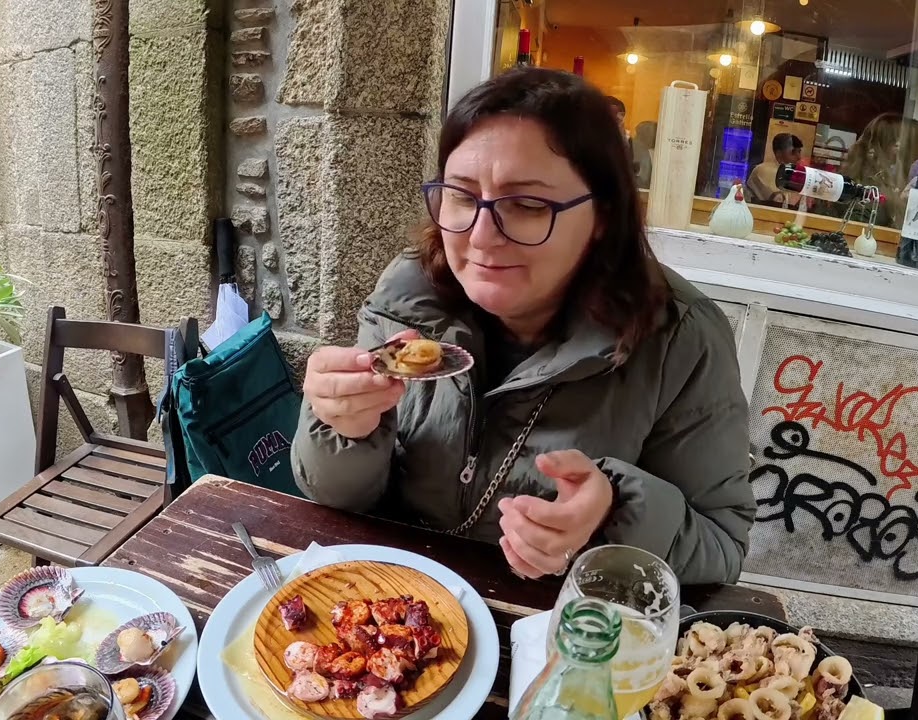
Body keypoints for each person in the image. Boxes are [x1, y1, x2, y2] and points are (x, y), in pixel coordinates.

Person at [291, 67, 754, 585]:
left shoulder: (680, 339)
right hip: (391, 605)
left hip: (554, 632)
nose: (483, 236)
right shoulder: (412, 294)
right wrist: (348, 430)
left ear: (603, 215)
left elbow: (723, 546)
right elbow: (337, 499)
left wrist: (613, 513)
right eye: (463, 196)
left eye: (529, 205)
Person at [746, 133, 803, 207]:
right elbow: (777, 201)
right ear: (779, 154)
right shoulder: (764, 170)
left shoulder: (793, 174)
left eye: (799, 152)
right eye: (793, 152)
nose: (799, 157)